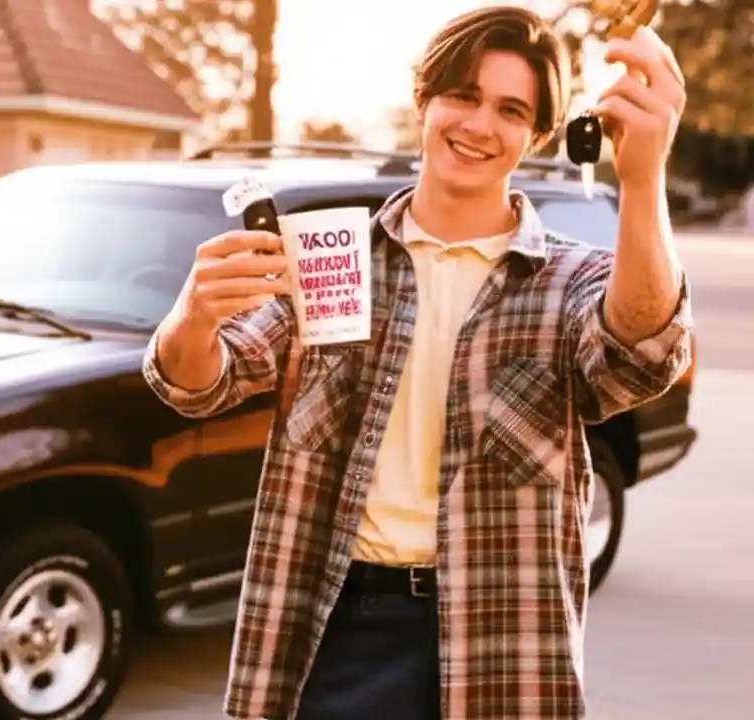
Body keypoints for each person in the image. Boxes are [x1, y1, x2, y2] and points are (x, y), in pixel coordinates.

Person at [142, 6, 693, 720]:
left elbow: (640, 356)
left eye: (509, 108)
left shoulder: (570, 281)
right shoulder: (332, 262)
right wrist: (195, 315)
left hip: (501, 642)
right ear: (424, 102)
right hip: (336, 631)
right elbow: (199, 385)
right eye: (462, 96)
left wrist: (644, 181)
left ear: (539, 135)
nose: (477, 124)